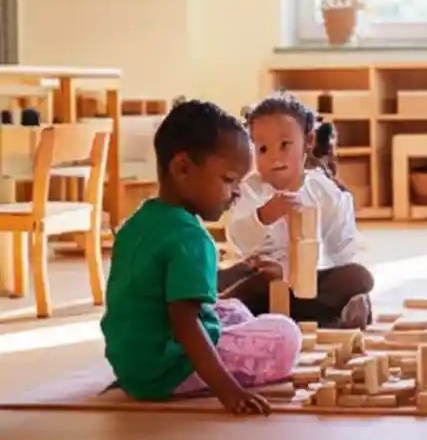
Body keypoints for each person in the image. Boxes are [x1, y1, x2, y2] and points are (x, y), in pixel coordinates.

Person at [101, 100, 300, 415]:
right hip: (166, 371)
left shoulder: (140, 221)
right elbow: (186, 322)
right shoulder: (191, 238)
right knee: (284, 334)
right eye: (228, 180)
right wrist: (229, 391)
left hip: (132, 364)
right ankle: (205, 373)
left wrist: (239, 272)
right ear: (182, 168)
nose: (235, 193)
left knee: (231, 308)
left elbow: (172, 292)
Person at [221, 93, 374, 328]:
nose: (274, 158)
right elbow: (238, 237)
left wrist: (350, 286)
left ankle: (335, 311)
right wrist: (264, 216)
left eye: (284, 145)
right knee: (232, 278)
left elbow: (343, 244)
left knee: (359, 277)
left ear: (308, 141)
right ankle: (235, 311)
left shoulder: (323, 189)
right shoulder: (250, 190)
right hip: (263, 285)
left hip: (309, 286)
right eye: (263, 149)